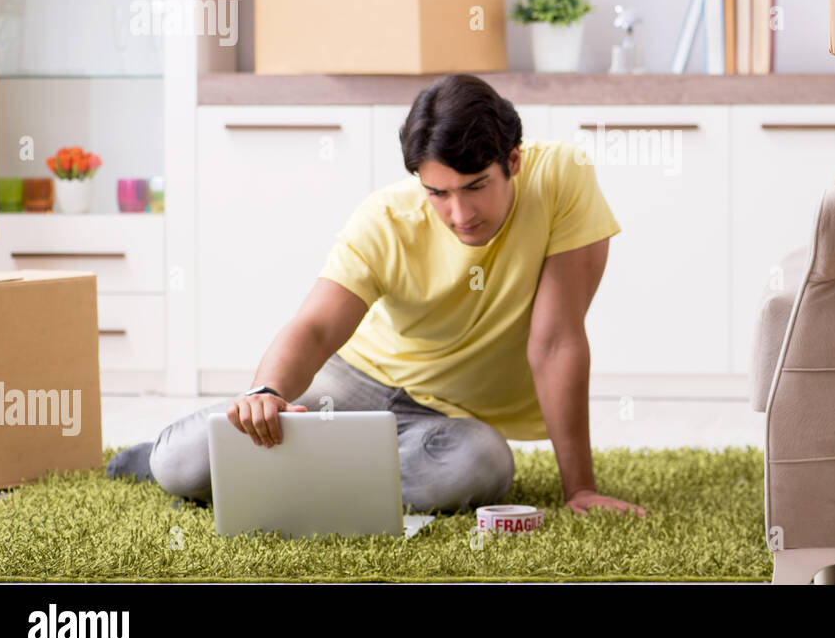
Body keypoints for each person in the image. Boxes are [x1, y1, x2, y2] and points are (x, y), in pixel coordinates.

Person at [108, 73, 647, 519]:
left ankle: (280, 480)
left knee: (484, 465)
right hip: (357, 384)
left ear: (514, 161)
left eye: (476, 186)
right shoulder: (385, 218)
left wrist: (579, 489)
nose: (459, 215)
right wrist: (268, 392)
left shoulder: (563, 178)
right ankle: (190, 458)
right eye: (438, 193)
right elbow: (315, 328)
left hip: (448, 423)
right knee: (180, 463)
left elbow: (554, 342)